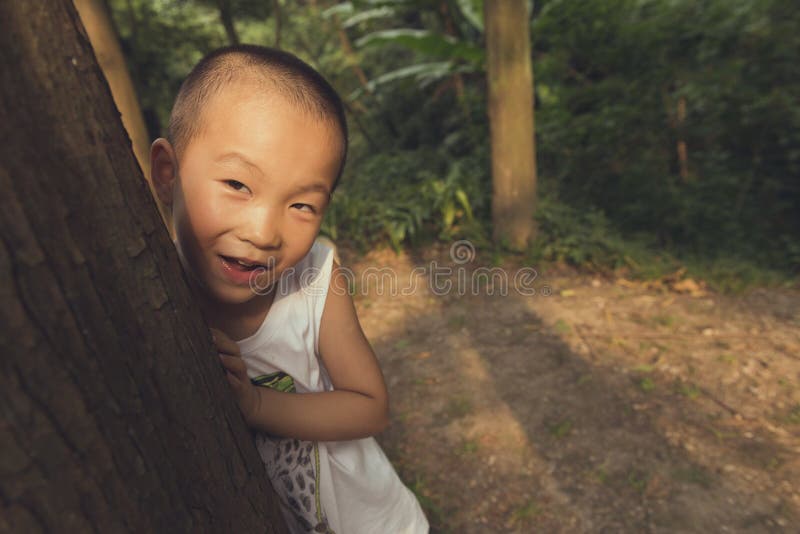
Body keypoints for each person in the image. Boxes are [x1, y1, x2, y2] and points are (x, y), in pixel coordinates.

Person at [149, 45, 428, 533]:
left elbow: (371, 406)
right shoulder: (151, 290)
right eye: (237, 184)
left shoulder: (314, 279)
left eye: (301, 206)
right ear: (167, 175)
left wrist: (257, 406)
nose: (263, 232)